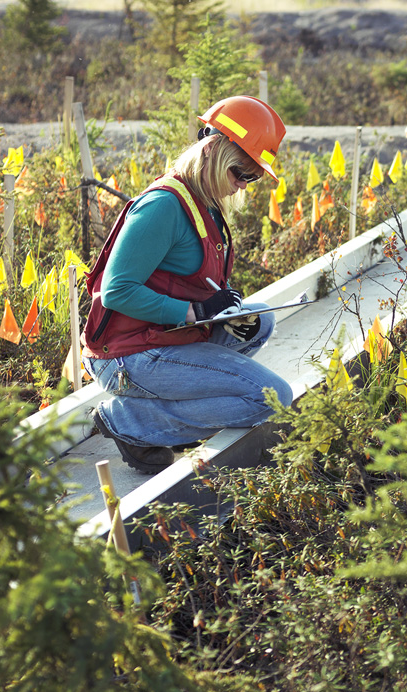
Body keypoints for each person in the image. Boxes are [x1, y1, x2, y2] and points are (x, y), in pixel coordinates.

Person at [82, 96, 294, 473]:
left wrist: (220, 307)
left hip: (166, 336)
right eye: (240, 174)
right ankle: (130, 421)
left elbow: (190, 280)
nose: (243, 186)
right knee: (271, 397)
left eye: (252, 177)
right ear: (214, 151)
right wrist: (194, 312)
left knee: (260, 320)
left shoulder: (204, 204)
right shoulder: (163, 207)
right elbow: (116, 291)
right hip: (125, 356)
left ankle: (167, 411)